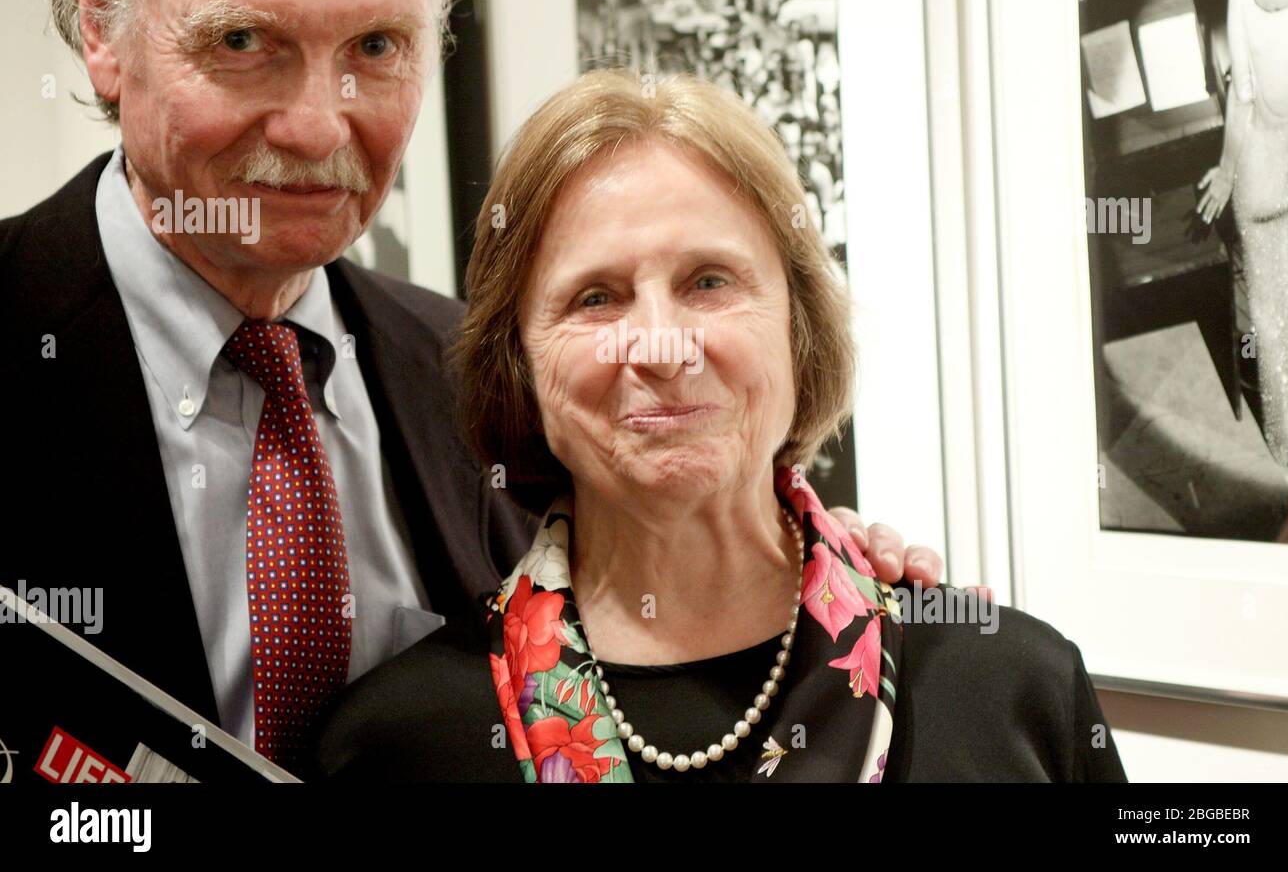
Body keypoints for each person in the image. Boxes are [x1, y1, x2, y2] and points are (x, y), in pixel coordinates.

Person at [0, 0, 939, 778]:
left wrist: (813, 562)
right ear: (99, 26)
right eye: (244, 43)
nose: (321, 125)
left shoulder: (484, 379)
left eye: (376, 46)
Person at [312, 70, 1127, 783]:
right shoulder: (397, 745)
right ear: (519, 364)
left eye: (708, 281)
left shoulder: (1015, 685)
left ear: (799, 331)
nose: (663, 346)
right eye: (596, 298)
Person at [1199, 0, 1288, 476]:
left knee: (1273, 317)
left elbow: (1241, 101)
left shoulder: (1239, 2)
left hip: (1262, 176)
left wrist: (1225, 171)